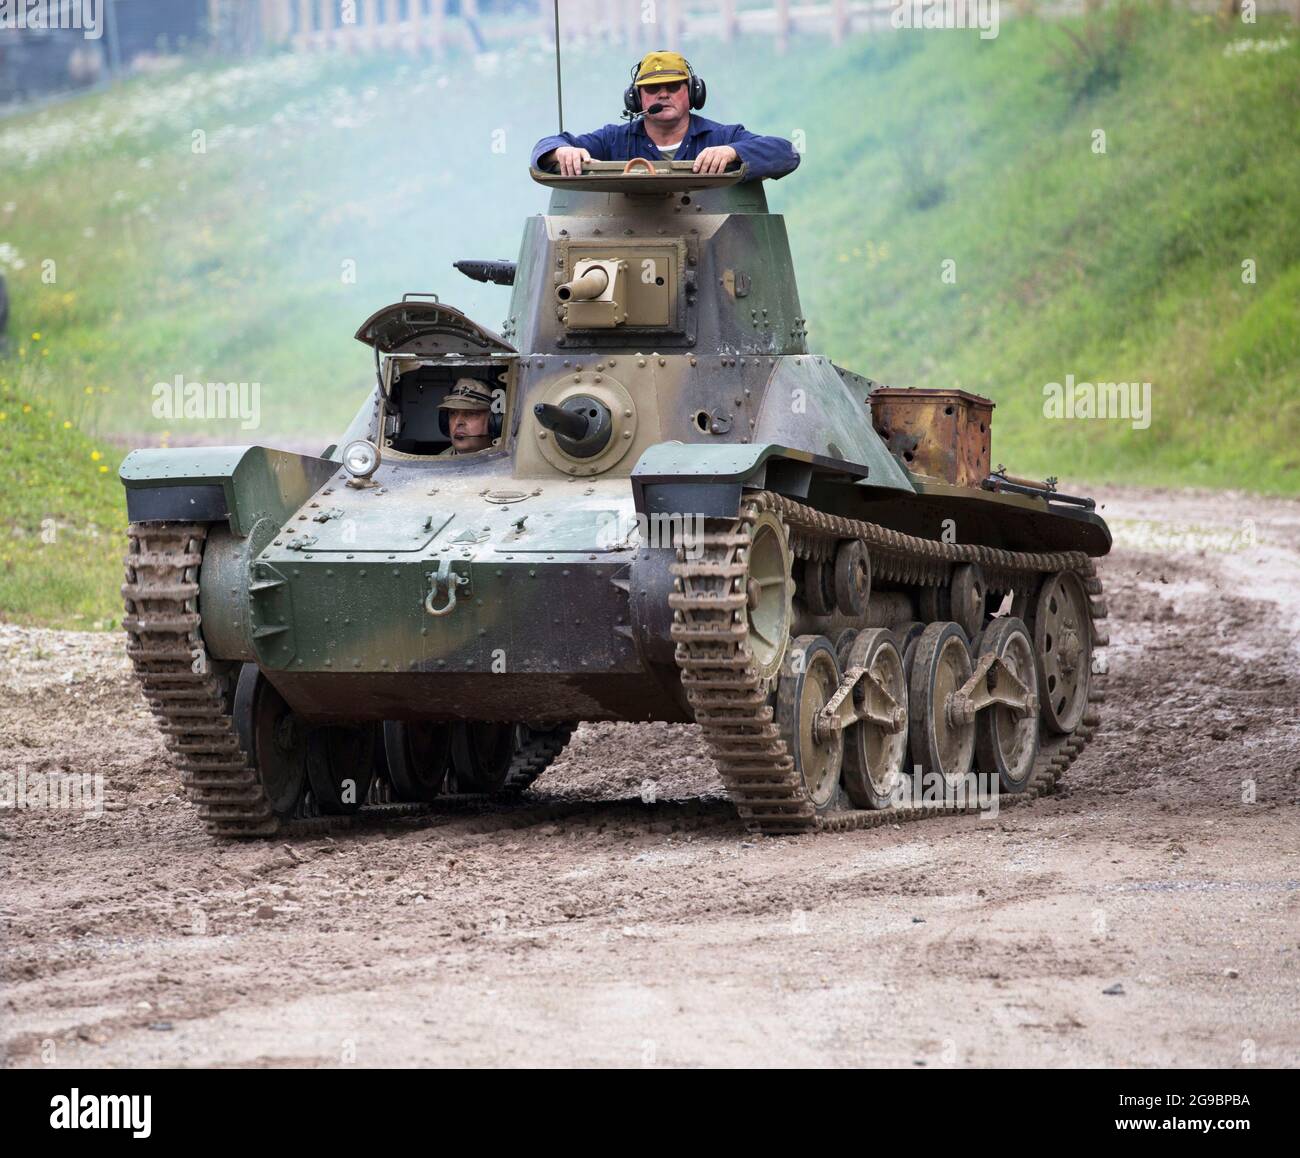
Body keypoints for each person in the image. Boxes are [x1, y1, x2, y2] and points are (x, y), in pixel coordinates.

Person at [531, 51, 800, 183]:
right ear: (637, 98)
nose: (663, 94)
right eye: (652, 89)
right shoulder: (614, 139)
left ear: (692, 93)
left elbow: (786, 153)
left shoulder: (722, 137)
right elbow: (545, 148)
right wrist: (561, 152)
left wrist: (732, 152)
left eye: (673, 87)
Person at [437, 378, 497, 456]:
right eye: (453, 413)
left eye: (471, 413)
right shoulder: (438, 463)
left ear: (493, 421)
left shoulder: (509, 462)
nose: (458, 422)